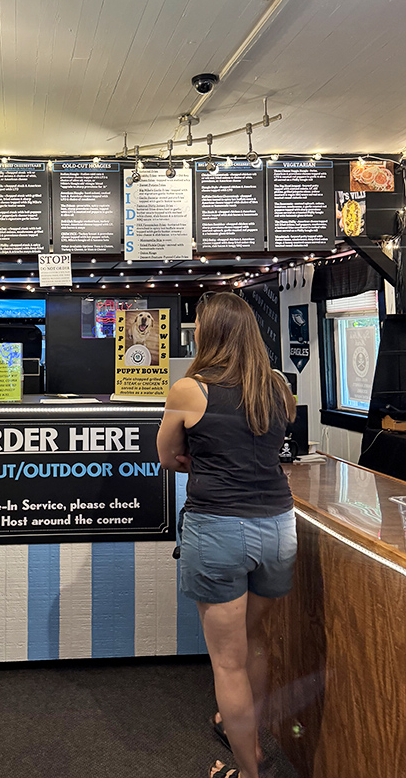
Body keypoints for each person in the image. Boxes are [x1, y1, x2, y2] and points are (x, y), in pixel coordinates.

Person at [157, 292, 297, 778]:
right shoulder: (279, 387)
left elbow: (167, 456)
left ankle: (248, 769)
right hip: (279, 528)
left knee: (229, 663)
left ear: (208, 333)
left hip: (218, 530)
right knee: (253, 641)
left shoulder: (189, 390)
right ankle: (249, 738)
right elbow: (270, 443)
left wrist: (202, 460)